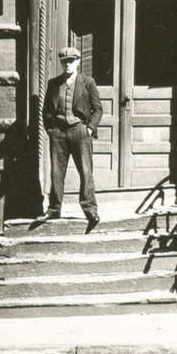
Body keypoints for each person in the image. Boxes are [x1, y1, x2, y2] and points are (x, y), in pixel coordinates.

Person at [40, 45, 102, 229]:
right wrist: (51, 130)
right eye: (64, 61)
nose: (68, 64)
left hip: (79, 132)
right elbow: (46, 111)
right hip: (58, 133)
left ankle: (91, 211)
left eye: (71, 61)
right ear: (61, 62)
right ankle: (54, 210)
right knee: (56, 174)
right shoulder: (53, 83)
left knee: (86, 172)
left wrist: (89, 129)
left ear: (78, 62)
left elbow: (98, 109)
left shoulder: (88, 82)